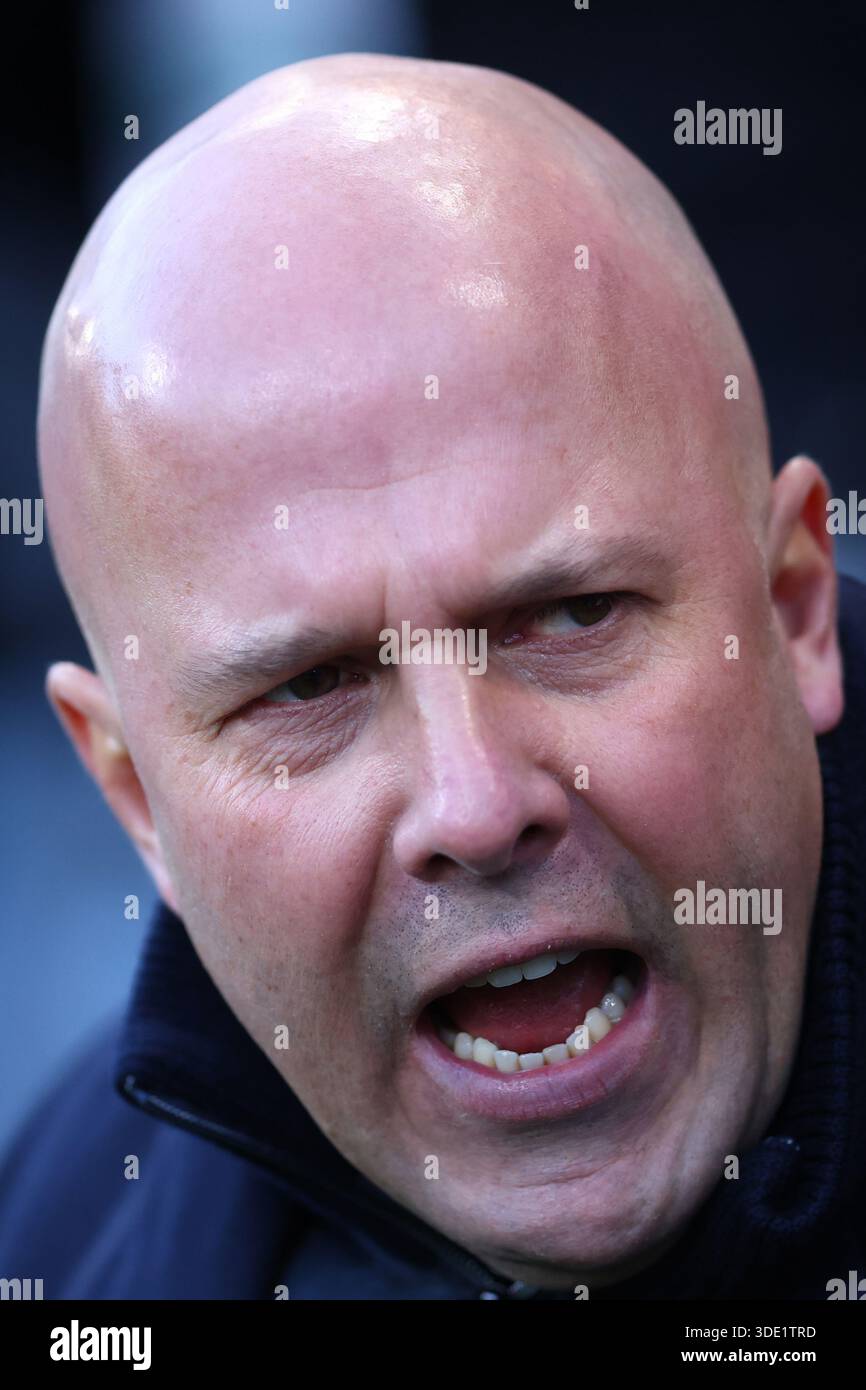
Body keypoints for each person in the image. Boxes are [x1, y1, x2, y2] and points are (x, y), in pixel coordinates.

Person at [1, 52, 863, 1301]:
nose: (472, 805)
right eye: (306, 688)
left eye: (567, 615)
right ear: (138, 801)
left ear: (793, 611)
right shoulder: (66, 1246)